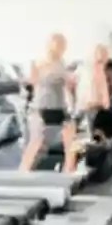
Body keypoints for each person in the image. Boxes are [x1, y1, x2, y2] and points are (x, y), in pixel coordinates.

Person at [20, 33, 78, 173]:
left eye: (62, 46)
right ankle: (23, 171)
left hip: (58, 107)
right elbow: (31, 84)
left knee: (70, 138)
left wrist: (73, 103)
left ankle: (69, 170)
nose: (61, 49)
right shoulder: (40, 64)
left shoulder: (61, 64)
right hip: (42, 107)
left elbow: (68, 86)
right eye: (59, 45)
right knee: (37, 142)